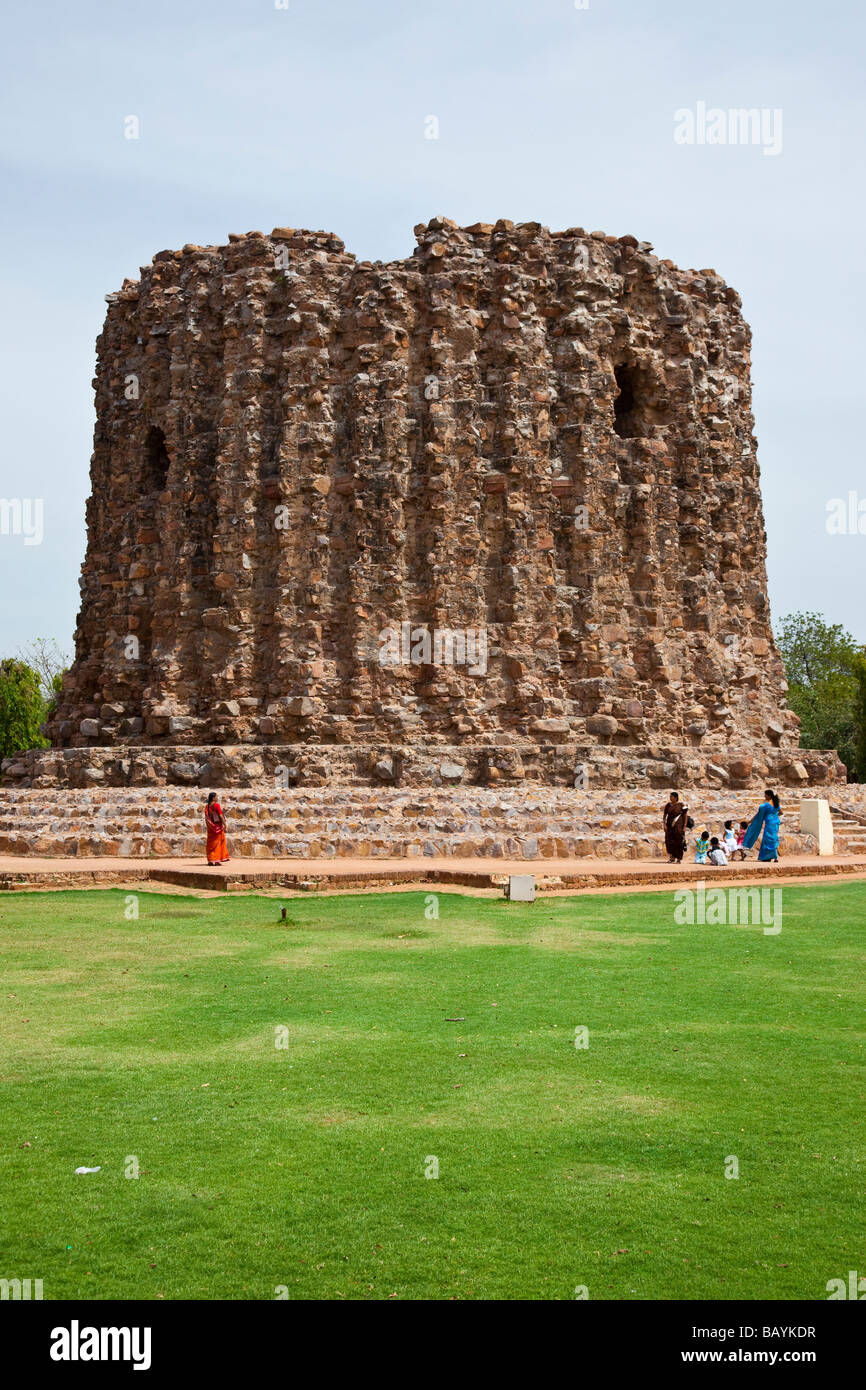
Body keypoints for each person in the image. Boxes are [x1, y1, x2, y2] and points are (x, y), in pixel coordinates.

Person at [742, 790, 781, 863]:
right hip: (776, 823)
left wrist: (750, 821)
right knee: (773, 838)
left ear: (769, 795)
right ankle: (772, 857)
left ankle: (769, 857)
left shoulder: (765, 805)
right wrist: (774, 816)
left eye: (765, 795)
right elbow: (781, 813)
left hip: (769, 823)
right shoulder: (776, 804)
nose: (764, 796)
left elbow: (758, 815)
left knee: (768, 839)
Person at [662, 791, 689, 864]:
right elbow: (665, 815)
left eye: (671, 796)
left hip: (678, 826)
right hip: (670, 826)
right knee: (670, 841)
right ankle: (672, 857)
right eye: (670, 796)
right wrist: (664, 824)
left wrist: (684, 826)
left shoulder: (681, 805)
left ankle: (679, 858)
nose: (670, 798)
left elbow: (685, 816)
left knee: (678, 841)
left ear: (676, 797)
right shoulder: (668, 805)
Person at [205, 792, 230, 865]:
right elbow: (221, 816)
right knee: (218, 843)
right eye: (216, 797)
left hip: (210, 828)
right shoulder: (216, 805)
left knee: (211, 844)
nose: (217, 798)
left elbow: (207, 818)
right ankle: (216, 860)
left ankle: (211, 860)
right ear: (213, 798)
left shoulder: (207, 806)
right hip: (217, 827)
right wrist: (225, 825)